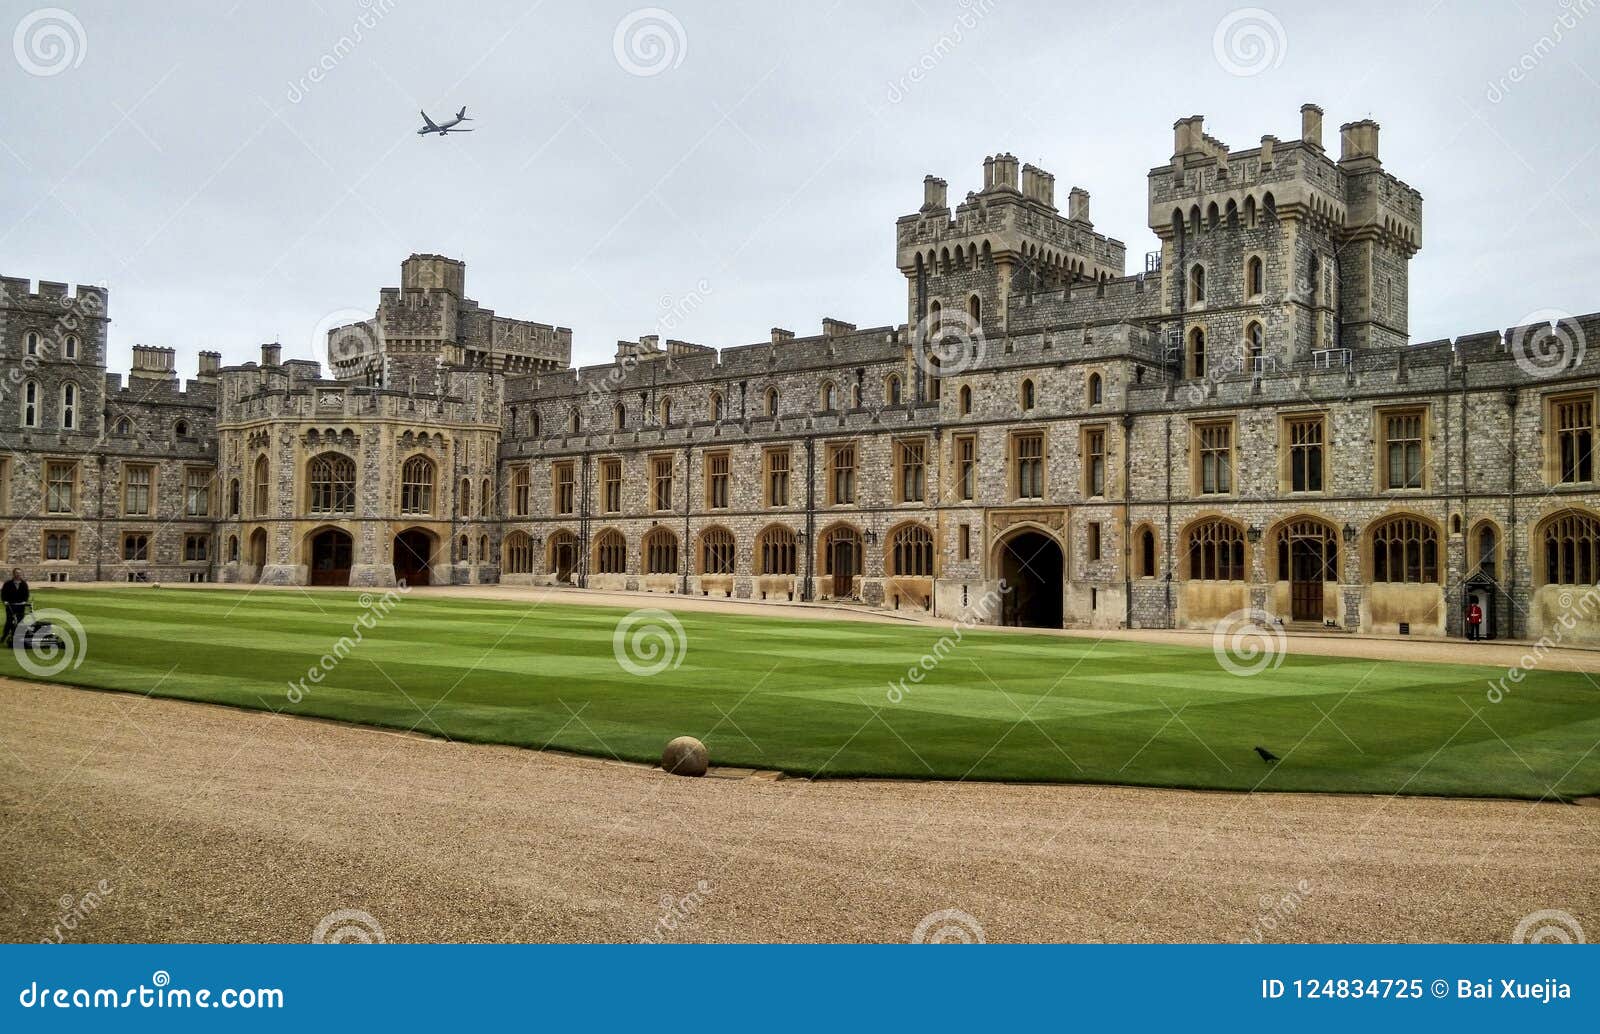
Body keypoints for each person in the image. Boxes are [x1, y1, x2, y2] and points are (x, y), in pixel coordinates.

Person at [2, 568, 28, 645]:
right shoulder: (8, 583)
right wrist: (5, 601)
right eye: (17, 573)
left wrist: (25, 601)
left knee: (20, 622)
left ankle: (18, 638)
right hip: (10, 605)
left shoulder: (24, 584)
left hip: (20, 606)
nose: (18, 574)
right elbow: (3, 593)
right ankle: (4, 636)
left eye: (20, 573)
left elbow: (26, 594)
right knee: (9, 622)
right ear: (13, 574)